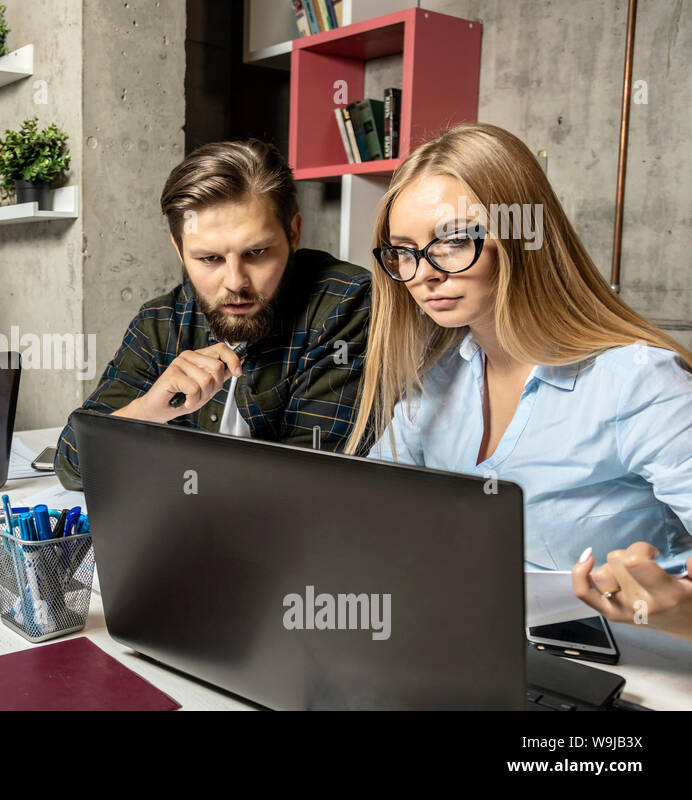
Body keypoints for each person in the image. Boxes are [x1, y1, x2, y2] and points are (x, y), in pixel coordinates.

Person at [348, 123, 692, 637]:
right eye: (403, 250)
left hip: (643, 675)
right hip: (480, 652)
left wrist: (683, 614)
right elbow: (367, 515)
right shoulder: (438, 381)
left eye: (454, 239)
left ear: (522, 237)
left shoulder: (639, 383)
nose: (423, 273)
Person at [54, 139, 371, 490]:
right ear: (179, 250)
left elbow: (311, 481)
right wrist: (148, 412)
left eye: (257, 252)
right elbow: (72, 464)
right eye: (210, 259)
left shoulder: (347, 303)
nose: (235, 282)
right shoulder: (160, 321)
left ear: (293, 233)